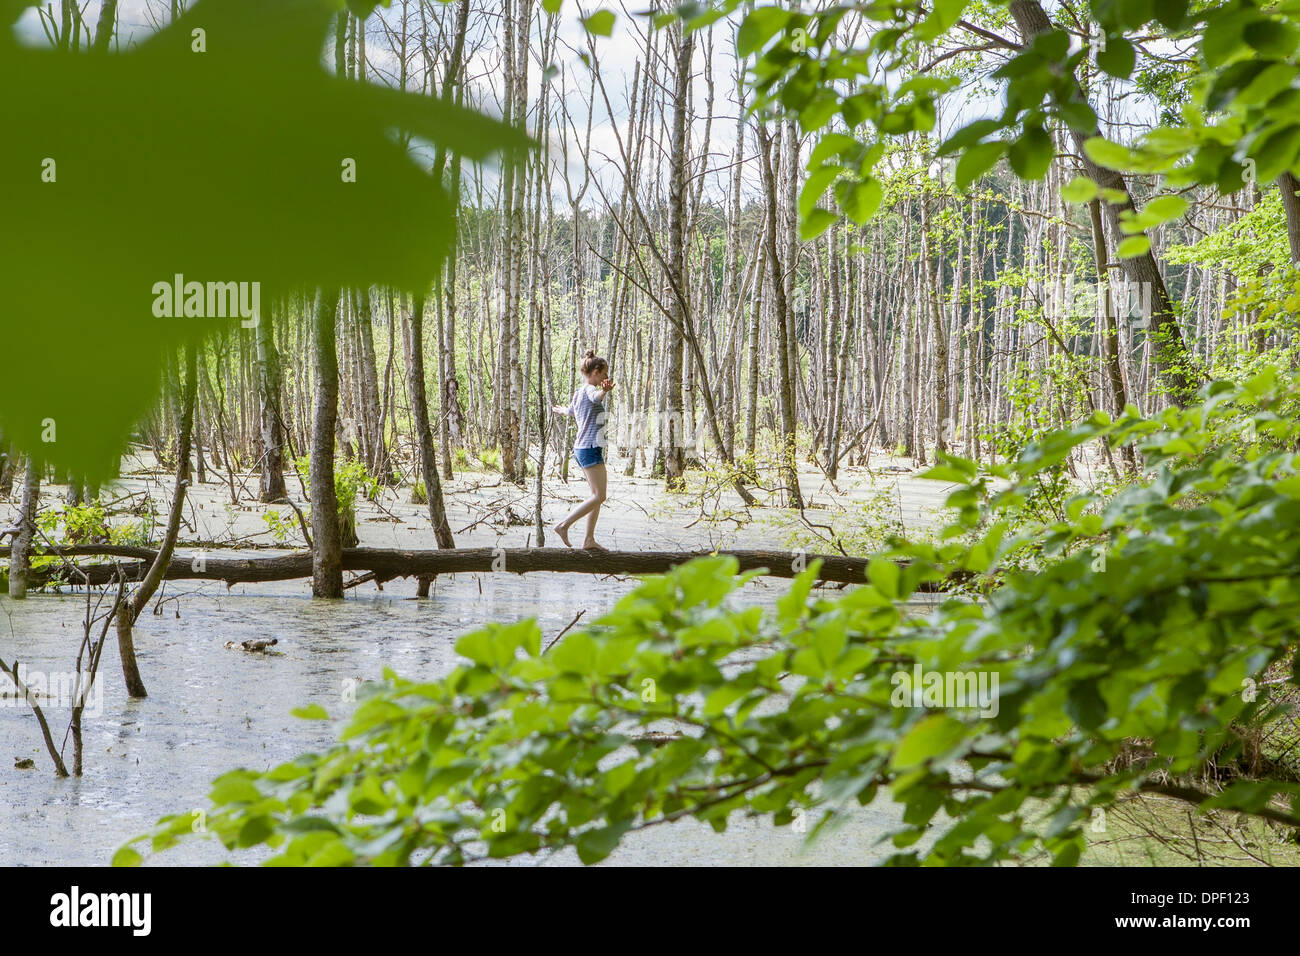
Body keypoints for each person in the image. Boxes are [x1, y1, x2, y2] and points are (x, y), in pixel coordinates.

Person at [551, 350, 614, 549]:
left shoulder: (578, 393)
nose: (606, 377)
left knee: (597, 495)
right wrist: (604, 391)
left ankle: (589, 540)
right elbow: (595, 398)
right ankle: (564, 525)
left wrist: (561, 410)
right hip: (589, 447)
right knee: (599, 496)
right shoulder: (588, 390)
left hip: (583, 448)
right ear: (595, 372)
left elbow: (571, 411)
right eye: (604, 373)